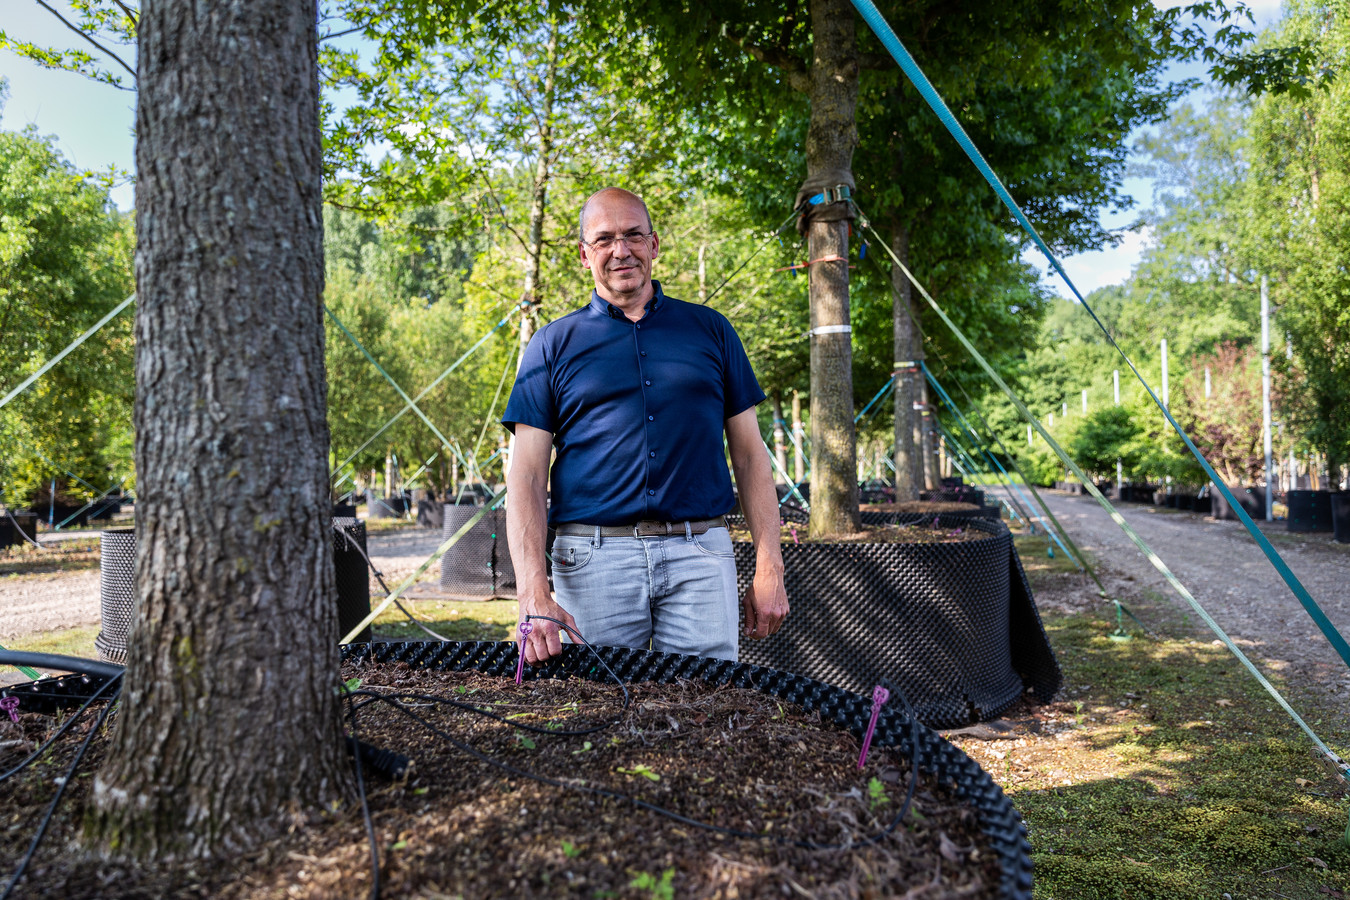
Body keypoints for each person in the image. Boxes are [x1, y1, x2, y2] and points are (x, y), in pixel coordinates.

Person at [502, 187, 788, 666]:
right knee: (596, 714)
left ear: (654, 244)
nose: (621, 250)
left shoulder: (712, 331)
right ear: (583, 253)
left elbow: (750, 455)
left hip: (701, 555)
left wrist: (770, 564)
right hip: (591, 562)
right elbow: (526, 476)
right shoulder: (551, 345)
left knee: (710, 713)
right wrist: (533, 588)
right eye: (605, 239)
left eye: (634, 235)